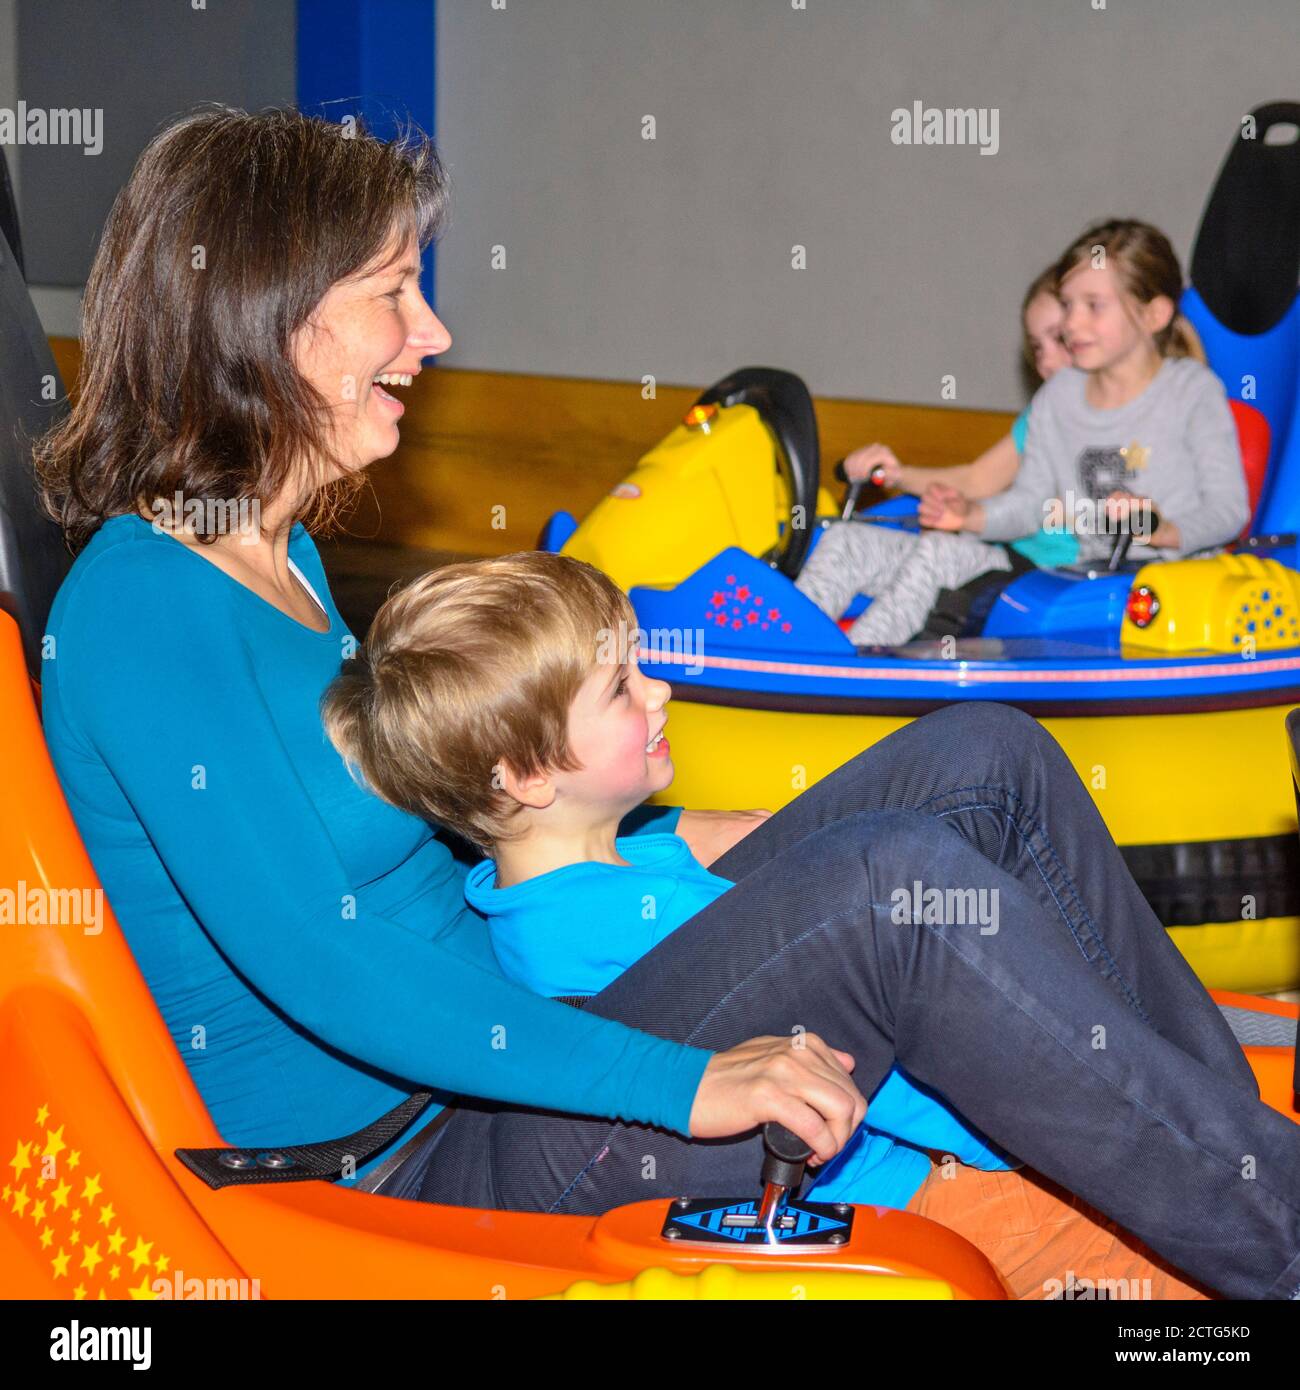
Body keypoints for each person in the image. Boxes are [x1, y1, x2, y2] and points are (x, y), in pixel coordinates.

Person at [34, 106, 1300, 1301]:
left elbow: (466, 801)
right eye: (390, 295)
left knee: (981, 756)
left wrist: (672, 842)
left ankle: (1239, 1150)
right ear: (268, 311)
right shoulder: (144, 605)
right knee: (897, 890)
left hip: (529, 1035)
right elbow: (324, 959)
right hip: (416, 1154)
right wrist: (681, 1082)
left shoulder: (285, 560)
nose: (433, 333)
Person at [322, 550, 1023, 1213]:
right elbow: (866, 1049)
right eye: (622, 686)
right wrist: (1013, 1147)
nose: (660, 689)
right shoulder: (632, 914)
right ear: (531, 776)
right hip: (908, 1189)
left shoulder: (546, 896)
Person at [794, 265, 1078, 648]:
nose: (1045, 361)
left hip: (1046, 579)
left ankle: (853, 667)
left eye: (1058, 339)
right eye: (1037, 346)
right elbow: (977, 479)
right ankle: (784, 646)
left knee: (941, 552)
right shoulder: (1042, 415)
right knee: (847, 540)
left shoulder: (1117, 423)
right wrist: (897, 474)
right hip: (1001, 556)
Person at [934, 219, 1249, 560]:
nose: (1071, 323)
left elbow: (1228, 509)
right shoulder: (1057, 398)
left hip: (1180, 588)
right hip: (1095, 584)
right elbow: (1030, 505)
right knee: (942, 552)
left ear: (1154, 315)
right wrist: (973, 516)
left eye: (1093, 305)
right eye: (1068, 305)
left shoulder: (1192, 392)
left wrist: (1163, 531)